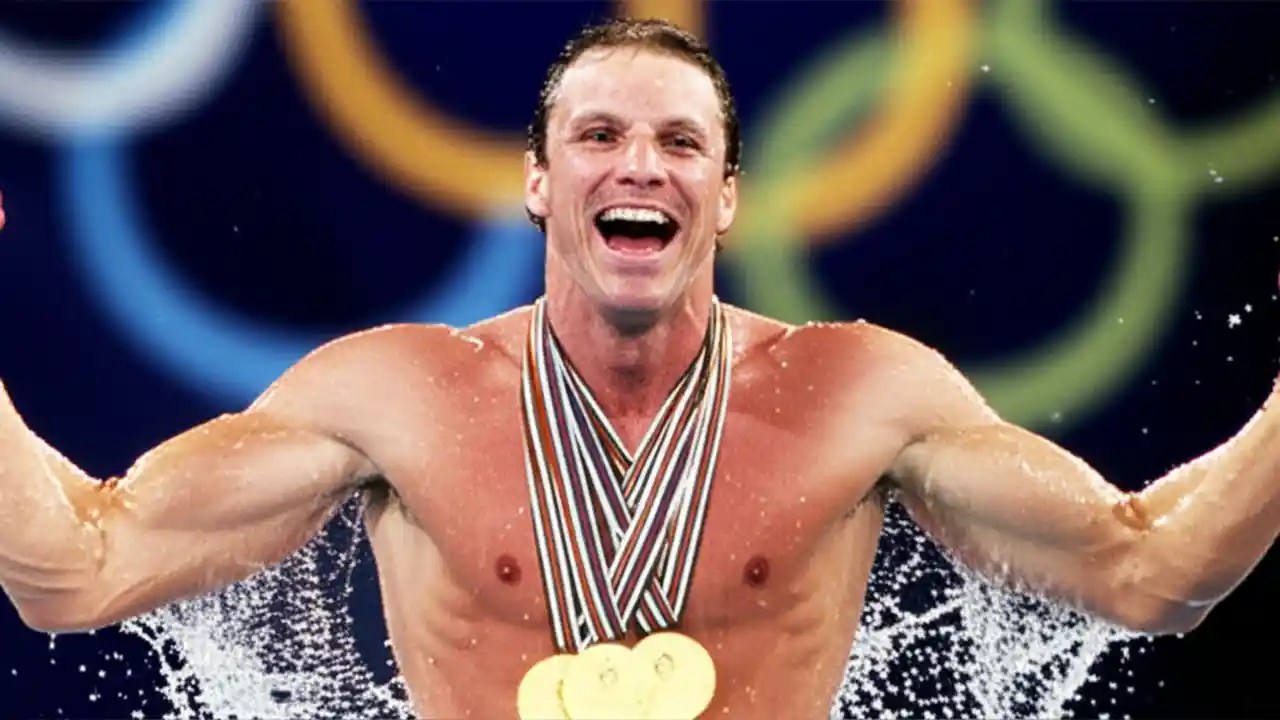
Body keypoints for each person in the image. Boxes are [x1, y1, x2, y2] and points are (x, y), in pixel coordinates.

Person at [0, 18, 1276, 720]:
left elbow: (1145, 570)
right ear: (539, 183)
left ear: (723, 197)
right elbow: (84, 568)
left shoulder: (859, 391)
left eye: (679, 143)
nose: (638, 165)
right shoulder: (393, 395)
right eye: (597, 135)